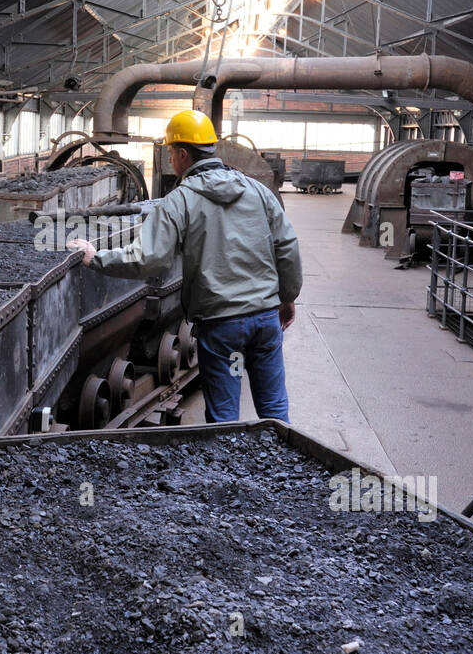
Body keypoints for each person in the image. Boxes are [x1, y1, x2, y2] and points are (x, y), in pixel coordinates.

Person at [67, 109, 302, 422]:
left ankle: (225, 470)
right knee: (274, 410)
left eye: (170, 153)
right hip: (264, 323)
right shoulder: (257, 191)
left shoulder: (179, 201)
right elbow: (286, 245)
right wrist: (287, 296)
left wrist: (94, 257)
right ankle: (279, 466)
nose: (170, 161)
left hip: (224, 329)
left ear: (181, 153)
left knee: (224, 417)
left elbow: (149, 258)